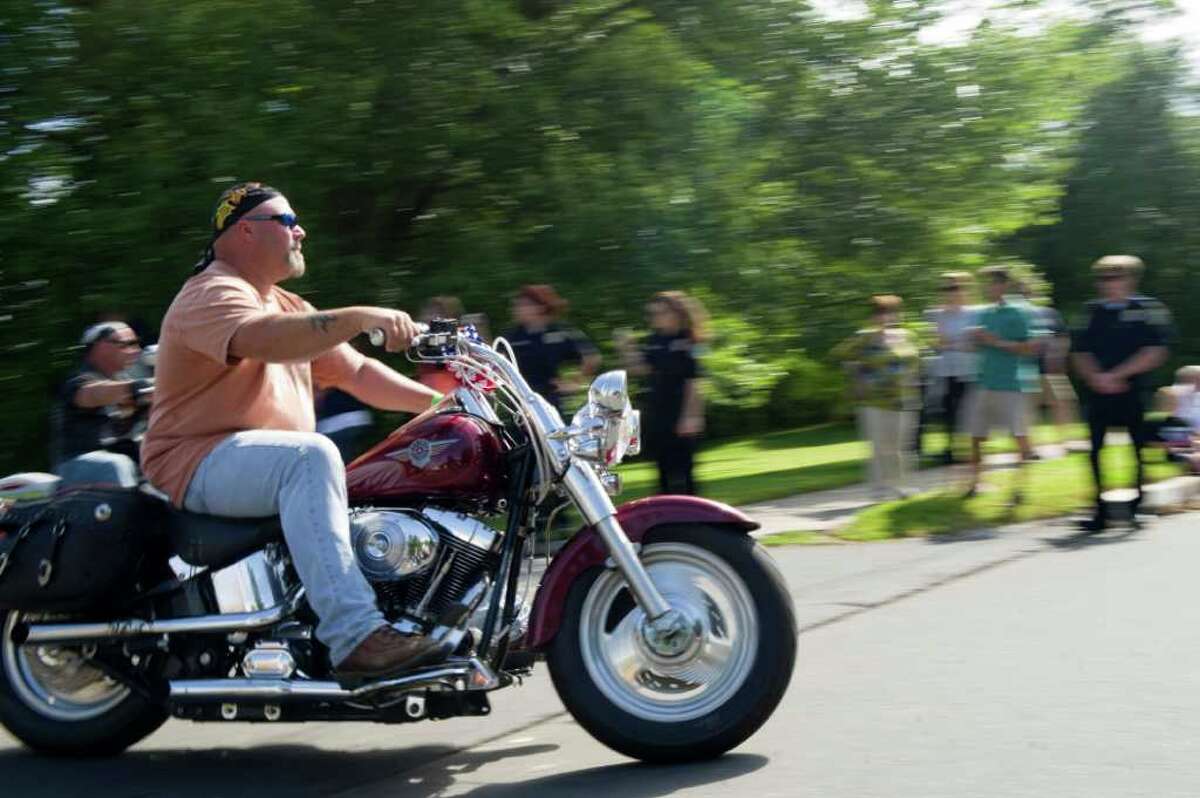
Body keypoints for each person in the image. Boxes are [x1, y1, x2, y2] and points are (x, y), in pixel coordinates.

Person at [141, 182, 446, 687]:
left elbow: (358, 374)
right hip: (196, 460)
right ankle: (357, 638)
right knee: (309, 457)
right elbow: (261, 340)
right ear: (245, 231)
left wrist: (445, 406)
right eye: (288, 221)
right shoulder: (213, 291)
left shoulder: (286, 305)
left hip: (251, 464)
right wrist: (358, 317)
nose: (300, 230)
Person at [1071, 255, 1171, 532]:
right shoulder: (1091, 311)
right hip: (1098, 392)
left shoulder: (1149, 309)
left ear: (1130, 279)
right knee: (1095, 451)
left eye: (1116, 277)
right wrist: (1095, 377)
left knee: (1137, 450)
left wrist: (1117, 375)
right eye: (1104, 278)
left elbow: (1155, 352)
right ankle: (1100, 510)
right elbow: (1080, 351)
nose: (1109, 283)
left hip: (1133, 390)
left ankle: (1137, 506)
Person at [616, 291, 708, 495]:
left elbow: (695, 382)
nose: (654, 318)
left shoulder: (690, 341)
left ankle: (696, 518)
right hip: (658, 411)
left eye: (660, 313)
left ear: (676, 313)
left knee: (685, 471)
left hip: (681, 412)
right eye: (652, 314)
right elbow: (640, 369)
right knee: (662, 470)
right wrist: (627, 349)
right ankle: (669, 519)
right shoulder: (653, 340)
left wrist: (692, 416)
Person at [832, 295, 920, 500]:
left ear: (897, 314)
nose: (885, 317)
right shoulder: (864, 338)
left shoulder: (906, 336)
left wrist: (912, 380)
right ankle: (879, 491)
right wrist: (857, 378)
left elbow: (915, 363)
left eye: (889, 312)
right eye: (879, 312)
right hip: (872, 402)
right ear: (873, 316)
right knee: (880, 448)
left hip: (904, 399)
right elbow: (839, 355)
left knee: (901, 447)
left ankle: (901, 487)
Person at [964, 266, 1039, 502]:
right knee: (976, 436)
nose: (987, 288)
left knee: (1019, 437)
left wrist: (996, 341)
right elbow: (980, 346)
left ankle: (1020, 489)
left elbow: (1029, 348)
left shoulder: (1018, 312)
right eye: (985, 283)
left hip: (1011, 383)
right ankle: (976, 484)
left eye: (991, 283)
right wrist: (974, 341)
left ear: (1003, 285)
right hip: (985, 381)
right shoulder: (985, 313)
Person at [49, 321, 153, 487]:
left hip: (121, 463)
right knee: (116, 464)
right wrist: (137, 388)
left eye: (136, 344)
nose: (137, 351)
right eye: (128, 344)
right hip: (77, 463)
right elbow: (93, 393)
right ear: (101, 346)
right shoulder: (80, 381)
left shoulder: (124, 381)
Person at [503, 284, 600, 414]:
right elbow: (495, 360)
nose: (517, 309)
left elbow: (591, 357)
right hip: (519, 402)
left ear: (540, 307)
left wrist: (575, 383)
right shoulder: (514, 335)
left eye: (523, 305)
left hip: (550, 402)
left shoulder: (559, 332)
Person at [925, 272, 978, 464]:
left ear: (965, 289)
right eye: (946, 288)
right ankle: (951, 450)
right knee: (948, 411)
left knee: (969, 412)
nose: (950, 292)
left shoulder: (974, 313)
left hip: (969, 370)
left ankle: (971, 450)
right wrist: (958, 343)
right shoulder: (937, 315)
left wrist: (952, 343)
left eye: (955, 287)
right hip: (946, 370)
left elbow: (974, 344)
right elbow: (937, 343)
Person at [1019, 276, 1079, 448]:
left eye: (1027, 292)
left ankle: (1066, 442)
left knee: (1063, 403)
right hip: (1026, 369)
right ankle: (1029, 447)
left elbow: (1063, 337)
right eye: (1021, 292)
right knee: (1027, 409)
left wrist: (1058, 357)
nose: (1025, 295)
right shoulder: (1015, 317)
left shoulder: (1050, 313)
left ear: (1033, 293)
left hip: (1053, 369)